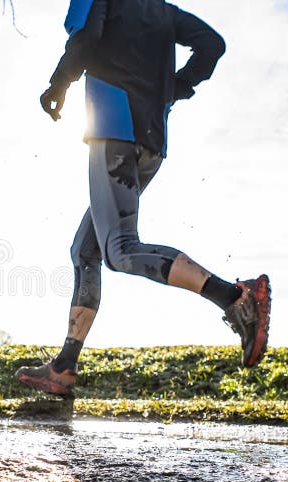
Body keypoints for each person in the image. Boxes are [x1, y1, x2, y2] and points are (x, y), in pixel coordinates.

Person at [15, 0, 271, 399]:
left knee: (119, 250)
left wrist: (58, 85)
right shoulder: (162, 10)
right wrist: (175, 88)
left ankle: (236, 299)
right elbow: (212, 45)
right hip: (151, 142)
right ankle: (63, 368)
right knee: (85, 250)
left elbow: (83, 40)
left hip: (113, 129)